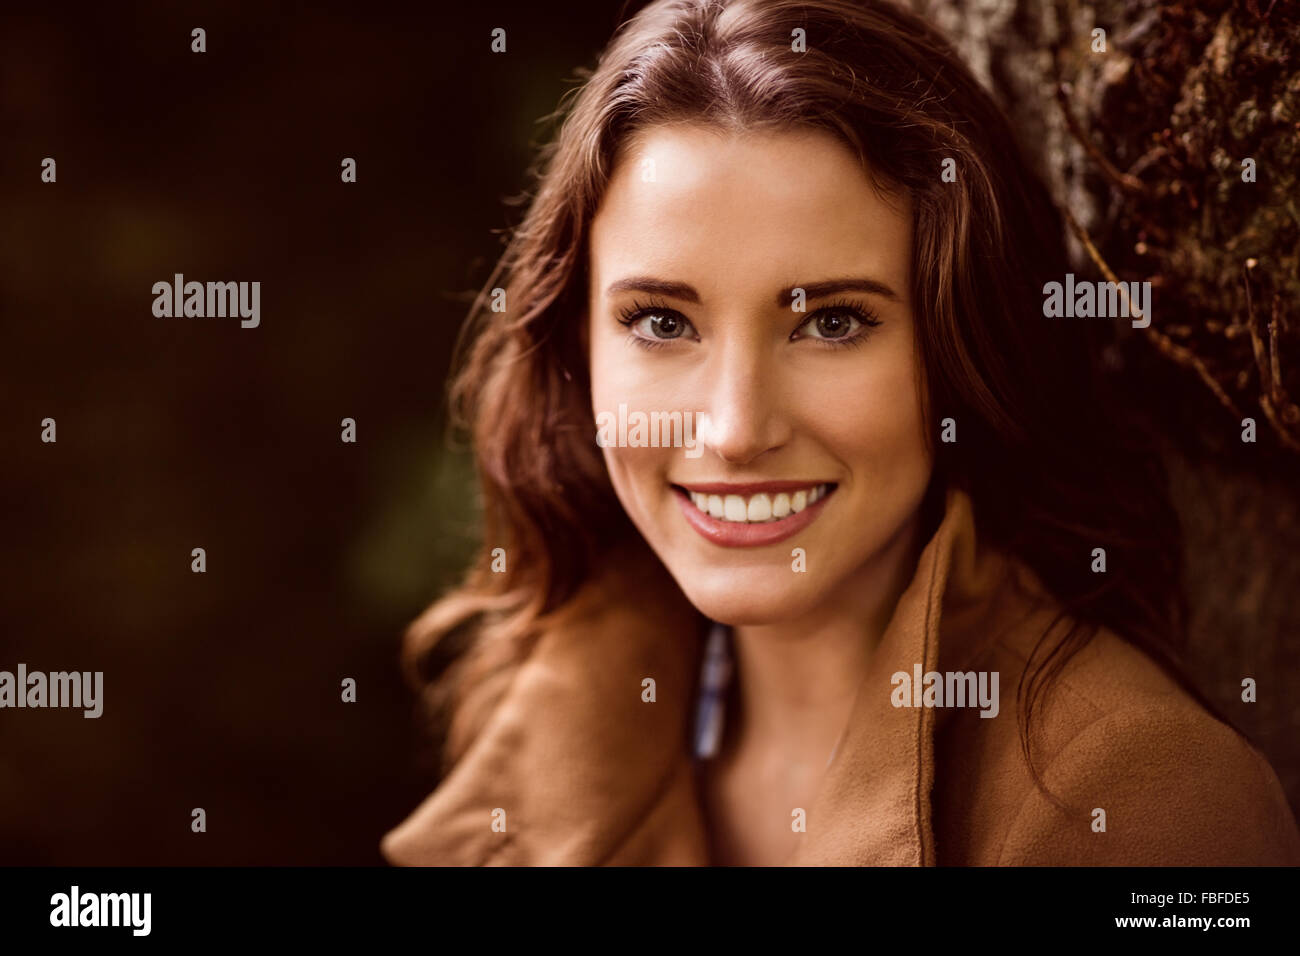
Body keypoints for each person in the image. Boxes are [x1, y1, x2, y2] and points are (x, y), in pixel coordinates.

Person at [381, 0, 1300, 865]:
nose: (736, 430)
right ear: (575, 341)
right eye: (663, 322)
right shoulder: (536, 703)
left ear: (958, 343)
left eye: (830, 323)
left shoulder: (1138, 798)